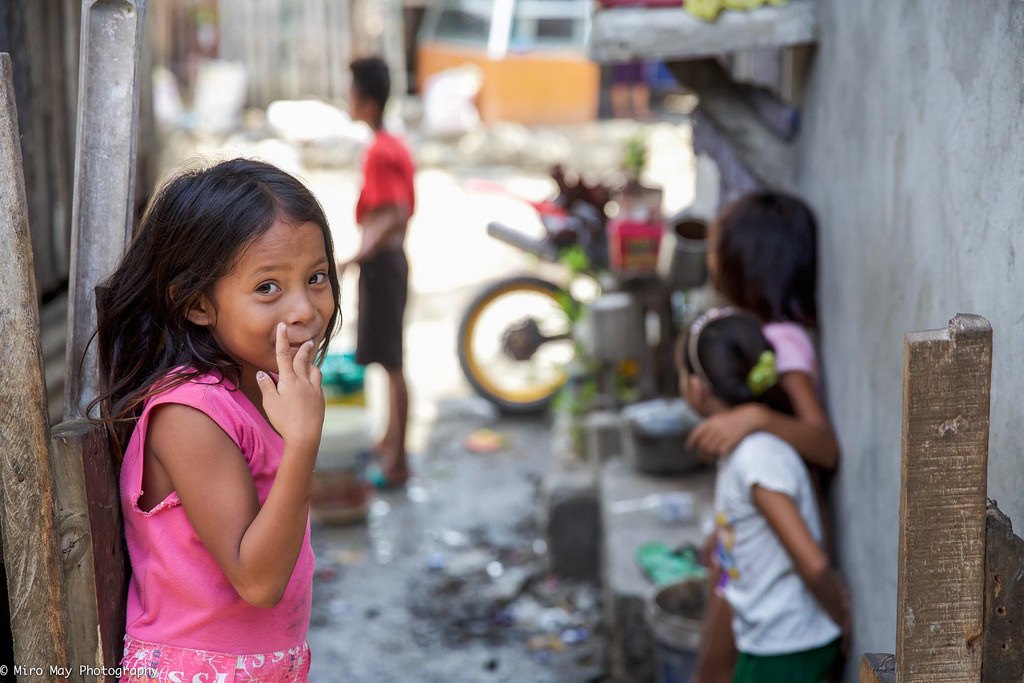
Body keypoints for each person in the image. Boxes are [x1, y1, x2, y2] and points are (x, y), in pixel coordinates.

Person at [91, 158, 341, 682]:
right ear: (198, 305)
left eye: (316, 278)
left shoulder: (263, 393)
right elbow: (258, 582)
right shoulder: (191, 413)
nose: (304, 309)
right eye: (268, 287)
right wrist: (302, 446)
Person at [688, 191, 840, 681]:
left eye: (717, 250)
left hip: (781, 514)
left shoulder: (782, 341)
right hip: (762, 513)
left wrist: (758, 418)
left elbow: (825, 444)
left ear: (745, 263)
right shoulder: (750, 333)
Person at [680, 308, 850, 683]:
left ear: (697, 388)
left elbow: (814, 563)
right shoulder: (745, 449)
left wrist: (842, 619)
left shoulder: (756, 458)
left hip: (786, 645)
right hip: (772, 639)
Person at [342, 55, 416, 489]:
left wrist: (357, 255)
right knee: (390, 360)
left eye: (352, 93)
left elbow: (395, 213)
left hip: (383, 264)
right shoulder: (390, 143)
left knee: (392, 363)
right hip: (386, 263)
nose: (347, 101)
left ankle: (398, 460)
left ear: (367, 102)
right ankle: (391, 446)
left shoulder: (381, 151)